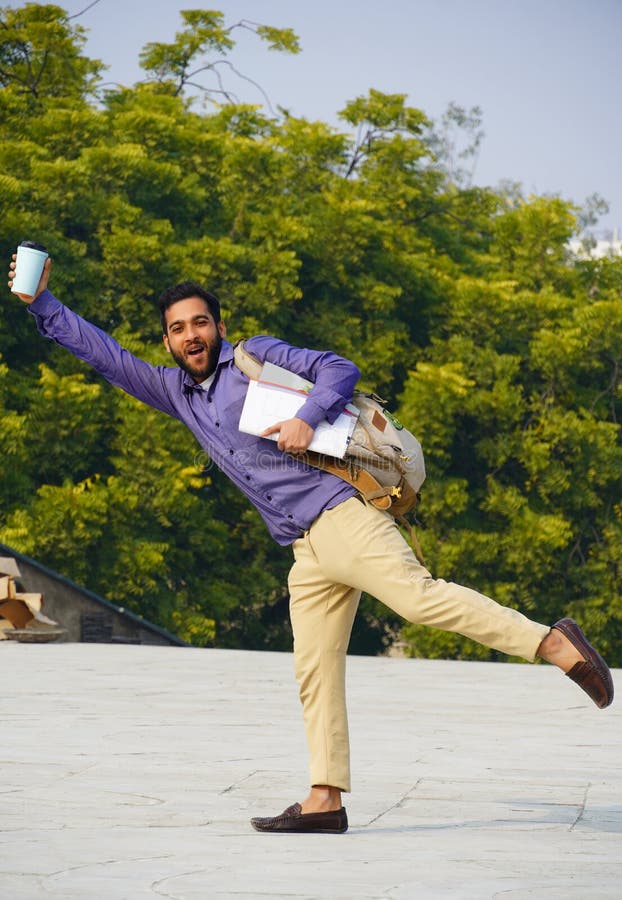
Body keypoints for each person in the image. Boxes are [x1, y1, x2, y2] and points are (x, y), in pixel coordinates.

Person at [7, 254, 614, 835]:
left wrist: (309, 415)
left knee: (419, 600)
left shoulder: (254, 357)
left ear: (218, 326)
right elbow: (106, 355)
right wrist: (42, 304)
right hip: (305, 547)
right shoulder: (177, 394)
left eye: (199, 322)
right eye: (176, 329)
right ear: (166, 341)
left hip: (343, 515)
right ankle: (325, 798)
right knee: (314, 669)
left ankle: (551, 641)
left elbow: (339, 368)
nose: (190, 335)